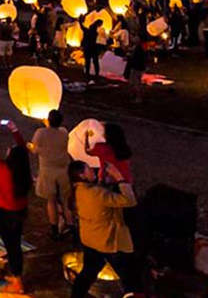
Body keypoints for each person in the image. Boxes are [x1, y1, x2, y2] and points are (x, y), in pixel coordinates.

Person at [68, 161, 140, 298]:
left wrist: (100, 181)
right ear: (82, 175)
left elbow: (97, 198)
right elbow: (129, 200)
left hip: (90, 240)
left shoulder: (78, 191)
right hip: (107, 241)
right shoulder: (97, 194)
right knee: (130, 278)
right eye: (89, 169)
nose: (93, 171)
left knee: (88, 273)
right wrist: (119, 177)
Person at [0, 119, 32, 293]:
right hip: (19, 210)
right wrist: (15, 130)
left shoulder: (3, 168)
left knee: (12, 245)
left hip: (5, 212)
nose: (8, 149)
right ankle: (16, 275)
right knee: (14, 242)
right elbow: (23, 150)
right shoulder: (23, 170)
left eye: (10, 149)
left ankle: (17, 282)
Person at [30, 110, 71, 239]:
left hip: (48, 170)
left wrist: (29, 146)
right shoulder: (64, 133)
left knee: (51, 200)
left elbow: (35, 150)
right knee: (66, 200)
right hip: (63, 169)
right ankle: (70, 226)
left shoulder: (41, 133)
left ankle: (54, 228)